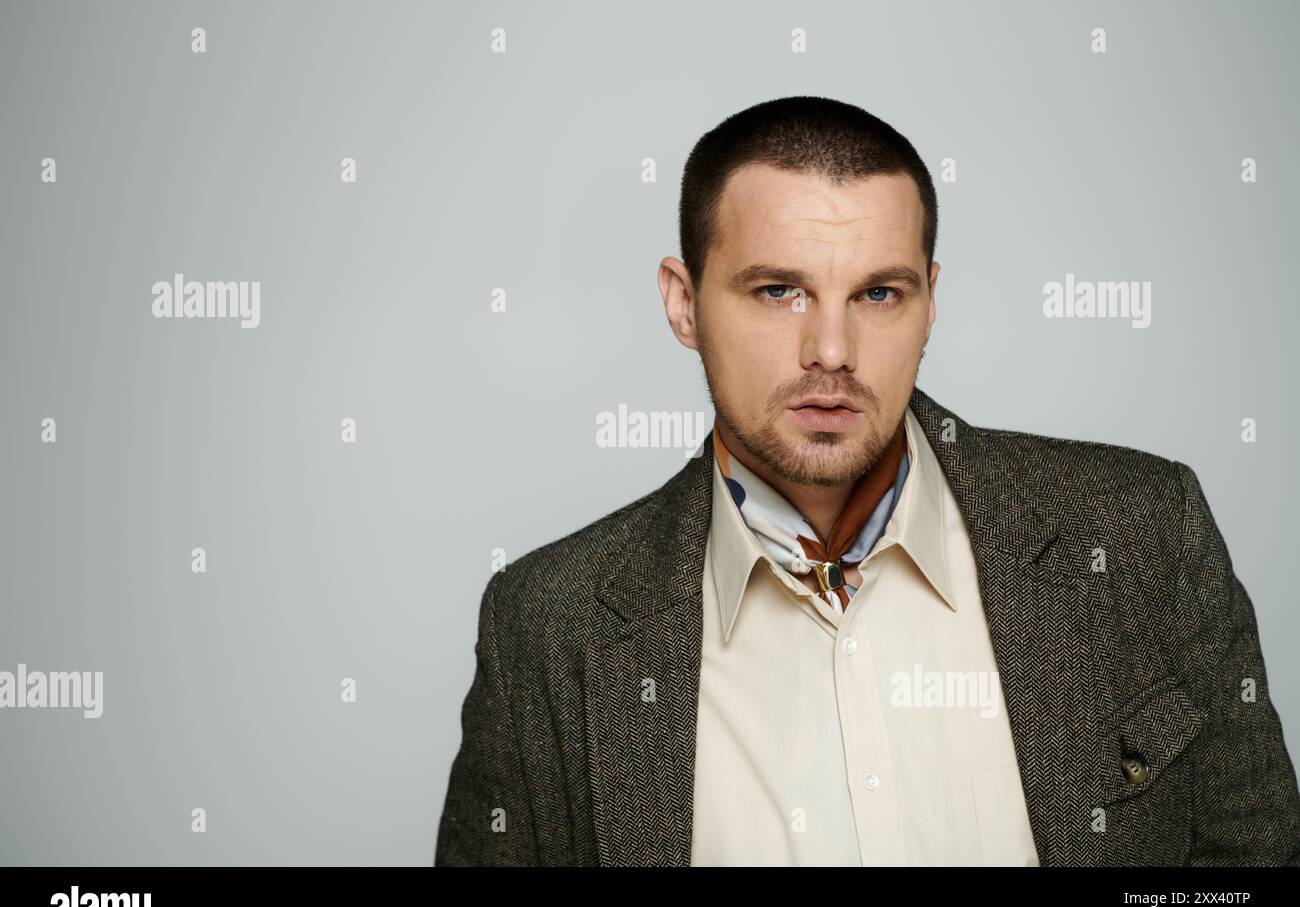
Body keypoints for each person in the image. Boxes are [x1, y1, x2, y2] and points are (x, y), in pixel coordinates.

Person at [436, 95, 1300, 866]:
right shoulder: (546, 627)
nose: (832, 353)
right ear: (684, 304)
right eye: (779, 291)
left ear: (931, 300)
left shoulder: (1144, 530)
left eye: (879, 294)